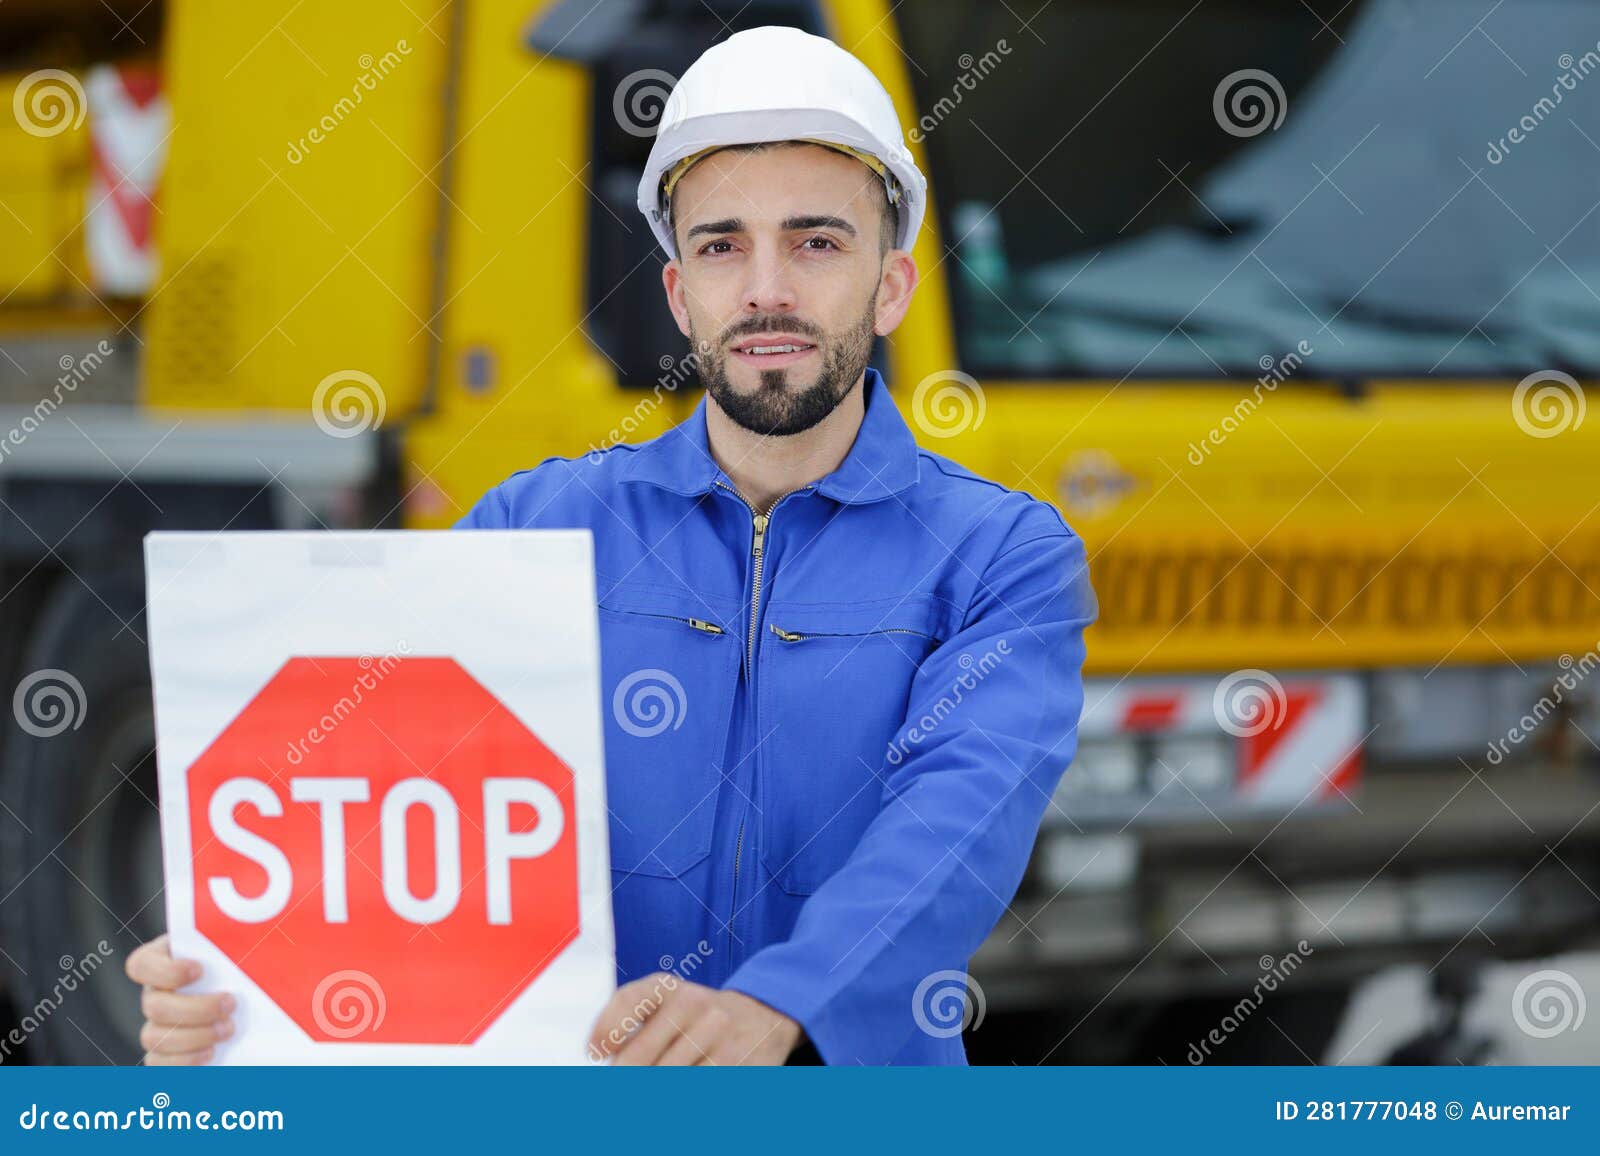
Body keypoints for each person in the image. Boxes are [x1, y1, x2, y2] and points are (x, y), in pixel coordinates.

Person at [126, 25, 1097, 1066]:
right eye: (721, 245)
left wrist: (777, 1006)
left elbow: (951, 831)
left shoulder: (1001, 558)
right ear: (680, 296)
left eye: (816, 241)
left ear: (892, 286)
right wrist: (238, 993)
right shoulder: (533, 528)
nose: (766, 287)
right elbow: (380, 814)